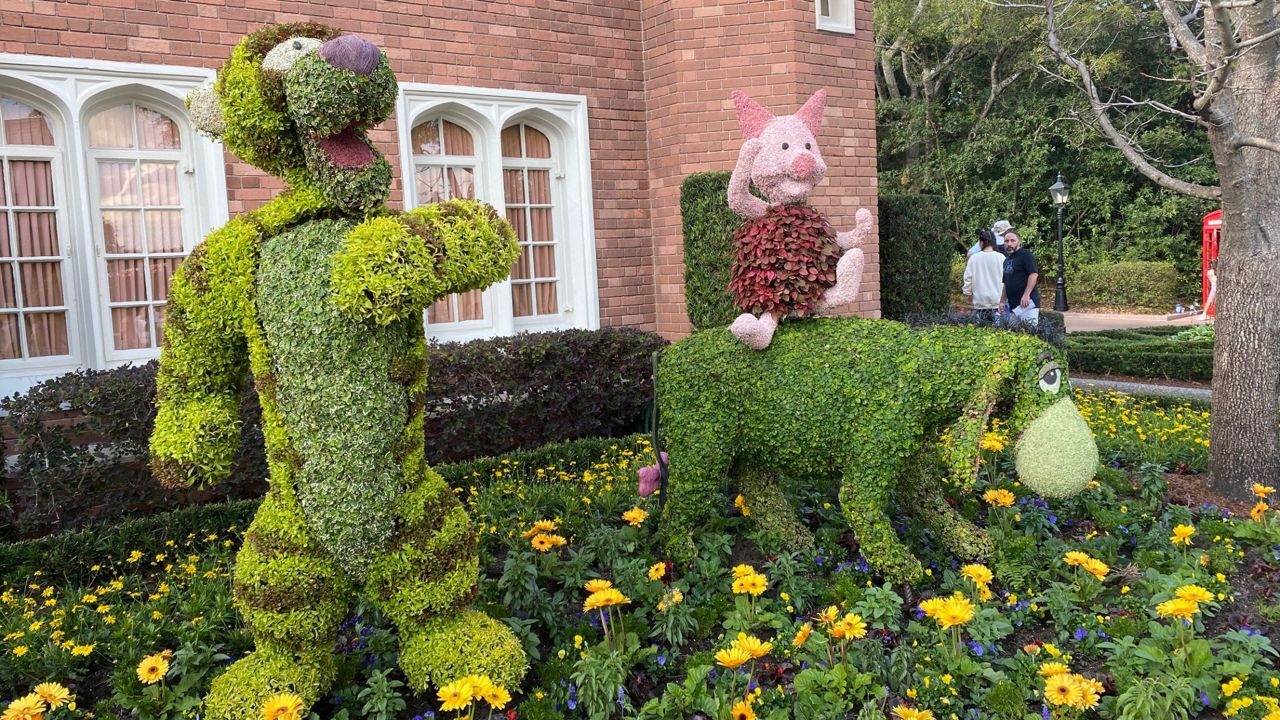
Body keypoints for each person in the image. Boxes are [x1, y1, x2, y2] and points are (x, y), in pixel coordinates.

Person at [962, 228, 1005, 322]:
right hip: (997, 299)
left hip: (980, 300)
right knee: (998, 331)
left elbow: (968, 278)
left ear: (981, 243)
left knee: (982, 329)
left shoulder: (974, 258)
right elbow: (1006, 278)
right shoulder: (1001, 257)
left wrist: (968, 294)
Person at [999, 231, 1040, 326]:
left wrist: (1026, 294)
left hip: (1028, 304)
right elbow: (1006, 282)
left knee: (1030, 334)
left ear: (1019, 242)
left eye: (1012, 240)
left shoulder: (1026, 255)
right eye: (1006, 241)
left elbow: (1033, 274)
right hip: (1013, 306)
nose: (1009, 244)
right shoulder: (1006, 260)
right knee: (1014, 335)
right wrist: (1002, 301)